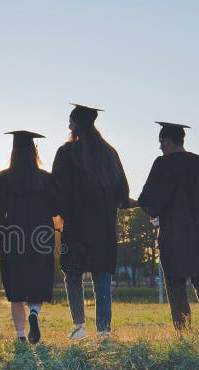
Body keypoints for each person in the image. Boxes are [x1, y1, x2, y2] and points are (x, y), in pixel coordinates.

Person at [137, 122, 199, 334]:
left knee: (175, 279)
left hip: (175, 233)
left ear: (167, 141)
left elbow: (150, 201)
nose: (160, 147)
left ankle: (183, 328)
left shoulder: (163, 164)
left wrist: (135, 203)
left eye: (161, 142)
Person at [52, 104, 131, 339]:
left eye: (70, 121)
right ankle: (104, 331)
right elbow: (122, 192)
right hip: (104, 226)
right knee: (102, 276)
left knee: (73, 275)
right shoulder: (109, 153)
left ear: (76, 124)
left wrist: (59, 214)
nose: (68, 125)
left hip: (75, 226)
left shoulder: (66, 152)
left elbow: (56, 190)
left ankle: (79, 327)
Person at [0, 130, 60, 344]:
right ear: (34, 151)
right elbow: (56, 208)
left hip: (13, 237)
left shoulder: (2, 179)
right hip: (41, 236)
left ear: (12, 152)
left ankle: (21, 336)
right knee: (38, 282)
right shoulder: (46, 179)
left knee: (16, 289)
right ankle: (34, 312)